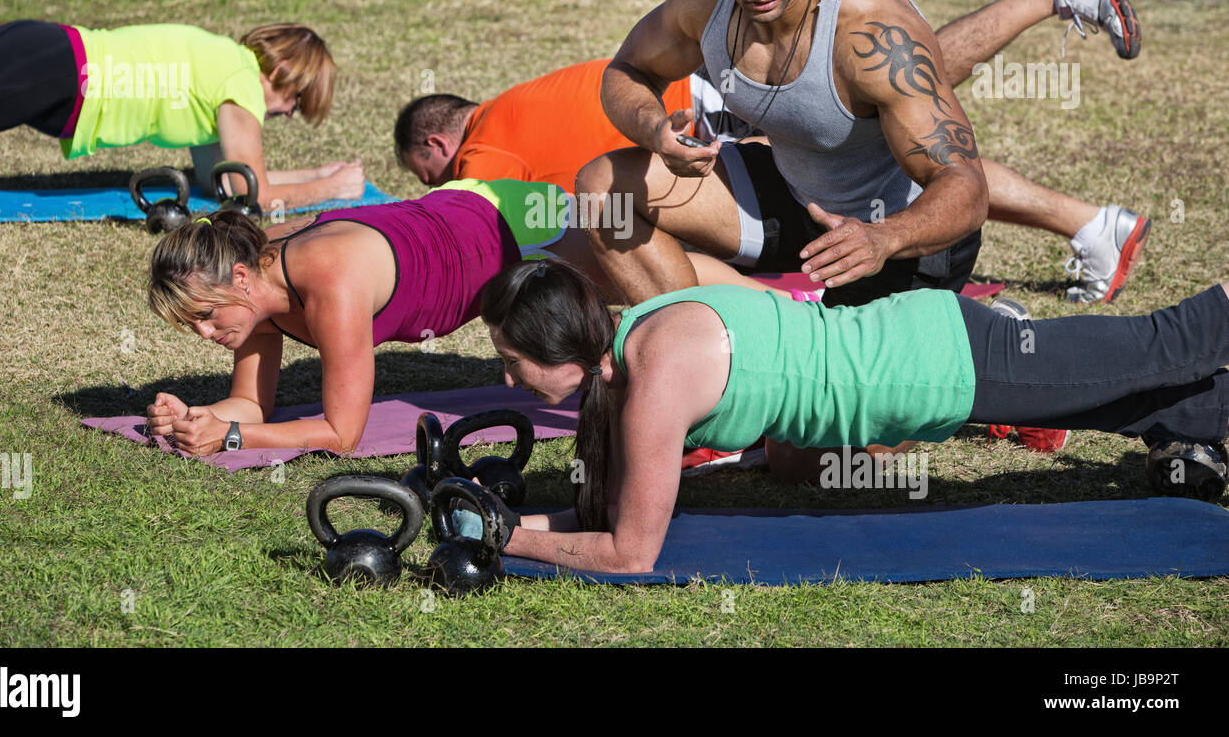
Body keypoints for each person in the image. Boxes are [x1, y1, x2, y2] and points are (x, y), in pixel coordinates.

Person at [578, 0, 1146, 308]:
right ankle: (695, 367)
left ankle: (980, 333)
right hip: (796, 193)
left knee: (809, 458)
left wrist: (881, 240)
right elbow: (626, 72)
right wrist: (656, 130)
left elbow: (966, 188)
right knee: (604, 189)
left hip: (892, 238)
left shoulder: (871, 30)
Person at [475, 259, 1229, 574]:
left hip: (940, 365)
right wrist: (512, 525)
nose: (509, 376)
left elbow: (632, 555)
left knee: (1170, 342)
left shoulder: (655, 380)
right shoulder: (642, 323)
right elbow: (796, 431)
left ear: (560, 346)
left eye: (514, 359)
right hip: (927, 344)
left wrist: (513, 540)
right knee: (1136, 396)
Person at [139, 179, 764, 455]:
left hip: (502, 222)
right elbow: (251, 406)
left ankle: (773, 311)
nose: (203, 332)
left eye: (204, 314)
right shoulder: (256, 296)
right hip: (449, 217)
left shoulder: (329, 284)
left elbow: (340, 433)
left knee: (638, 280)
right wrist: (198, 419)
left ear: (240, 279)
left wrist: (237, 438)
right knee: (632, 277)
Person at [0, 20, 363, 210]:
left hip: (43, 48)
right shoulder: (241, 88)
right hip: (54, 76)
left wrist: (315, 172)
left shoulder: (227, 66)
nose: (288, 114)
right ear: (283, 72)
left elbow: (224, 180)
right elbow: (253, 195)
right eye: (296, 102)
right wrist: (332, 187)